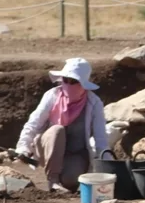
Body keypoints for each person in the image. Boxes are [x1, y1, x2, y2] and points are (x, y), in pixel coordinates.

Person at [15, 58, 111, 194]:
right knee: (57, 130)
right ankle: (52, 180)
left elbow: (101, 139)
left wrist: (110, 169)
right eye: (66, 80)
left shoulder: (94, 103)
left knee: (71, 182)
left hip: (76, 152)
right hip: (48, 147)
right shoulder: (51, 96)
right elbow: (34, 123)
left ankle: (62, 179)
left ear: (83, 84)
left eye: (74, 82)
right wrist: (23, 147)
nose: (69, 85)